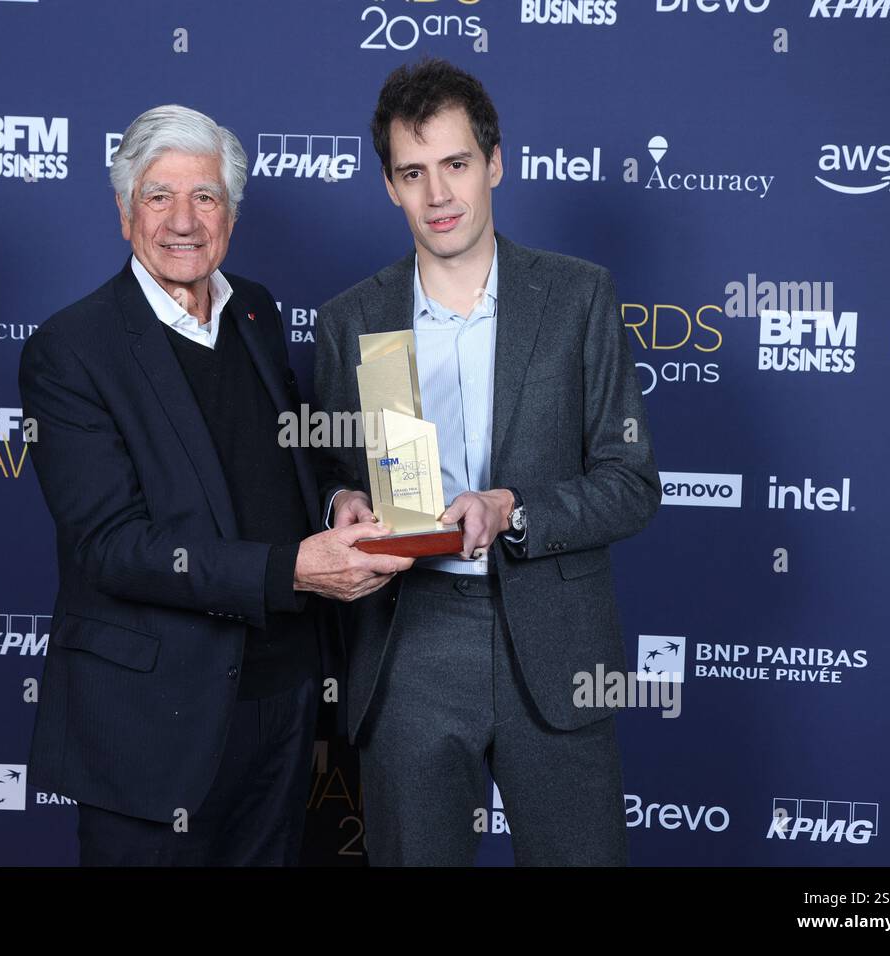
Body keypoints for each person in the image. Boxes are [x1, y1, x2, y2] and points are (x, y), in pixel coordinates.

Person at [19, 104, 411, 866]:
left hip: (282, 702)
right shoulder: (71, 350)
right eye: (158, 196)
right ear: (124, 211)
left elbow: (284, 459)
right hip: (151, 723)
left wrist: (336, 502)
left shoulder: (254, 310)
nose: (183, 220)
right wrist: (291, 569)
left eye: (205, 196)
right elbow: (111, 546)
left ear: (229, 214)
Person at [315, 60, 661, 866]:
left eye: (456, 163)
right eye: (413, 172)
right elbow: (329, 468)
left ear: (495, 163)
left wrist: (514, 508)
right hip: (411, 640)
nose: (438, 194)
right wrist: (340, 503)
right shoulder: (351, 320)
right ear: (389, 186)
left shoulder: (578, 298)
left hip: (554, 635)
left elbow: (631, 483)